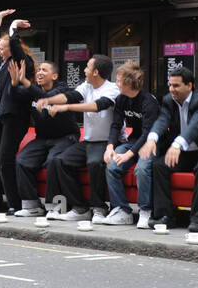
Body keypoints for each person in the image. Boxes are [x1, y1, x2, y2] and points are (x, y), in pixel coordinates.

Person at [50, 60, 160, 228]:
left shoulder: (147, 101)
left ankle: (145, 211)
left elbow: (146, 133)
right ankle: (121, 210)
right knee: (111, 164)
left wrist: (129, 154)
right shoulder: (122, 98)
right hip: (130, 140)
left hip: (151, 142)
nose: (116, 83)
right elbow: (116, 125)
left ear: (129, 83)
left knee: (141, 169)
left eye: (119, 80)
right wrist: (110, 148)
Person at [142, 66, 198, 232]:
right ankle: (165, 216)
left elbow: (195, 125)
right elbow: (163, 120)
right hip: (184, 152)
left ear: (189, 86)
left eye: (176, 85)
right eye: (170, 85)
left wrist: (177, 144)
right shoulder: (168, 100)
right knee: (159, 165)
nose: (172, 89)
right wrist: (152, 138)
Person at [37, 54, 122, 222]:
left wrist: (65, 107)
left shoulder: (112, 89)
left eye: (88, 67)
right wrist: (48, 100)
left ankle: (99, 208)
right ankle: (80, 208)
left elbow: (97, 106)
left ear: (96, 72)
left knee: (94, 163)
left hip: (107, 142)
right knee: (59, 161)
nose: (84, 70)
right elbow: (69, 96)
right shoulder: (86, 86)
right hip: (89, 141)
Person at [0, 9, 36, 214]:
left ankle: (14, 202)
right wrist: (0, 18)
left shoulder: (18, 62)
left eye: (2, 46)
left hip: (14, 117)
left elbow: (14, 45)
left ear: (11, 49)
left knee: (4, 159)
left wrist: (13, 28)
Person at [11, 61, 82, 217]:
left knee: (53, 160)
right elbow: (15, 95)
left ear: (54, 76)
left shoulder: (63, 89)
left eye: (44, 70)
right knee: (22, 160)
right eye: (38, 70)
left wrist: (26, 82)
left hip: (66, 137)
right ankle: (32, 206)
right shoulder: (33, 91)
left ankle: (57, 206)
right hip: (42, 138)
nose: (40, 73)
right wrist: (15, 83)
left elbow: (47, 97)